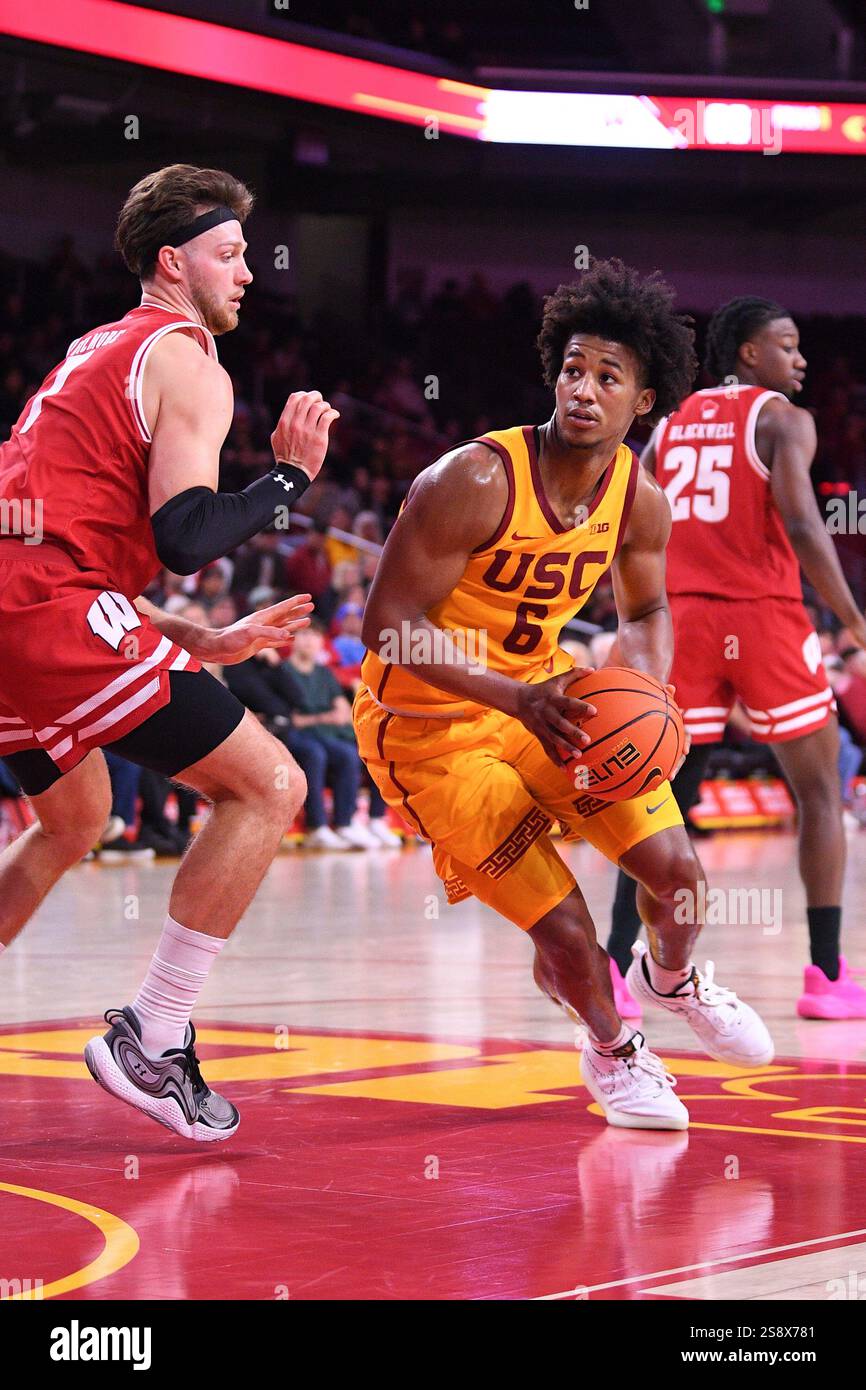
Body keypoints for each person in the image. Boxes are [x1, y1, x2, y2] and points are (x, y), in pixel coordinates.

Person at [355, 259, 773, 1131]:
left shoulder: (640, 500)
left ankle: (674, 980)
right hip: (430, 733)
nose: (584, 390)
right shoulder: (471, 480)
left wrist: (646, 693)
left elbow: (650, 607)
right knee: (570, 931)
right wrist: (515, 698)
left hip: (545, 708)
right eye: (573, 369)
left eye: (608, 377)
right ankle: (614, 1051)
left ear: (642, 402)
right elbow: (385, 624)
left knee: (680, 880)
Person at [0, 162, 341, 1140]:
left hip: (27, 603)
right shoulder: (187, 357)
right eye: (228, 253)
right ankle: (154, 1036)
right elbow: (189, 534)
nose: (246, 272)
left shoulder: (97, 346)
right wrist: (289, 479)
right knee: (268, 785)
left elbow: (73, 527)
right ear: (171, 260)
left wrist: (183, 632)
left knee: (72, 819)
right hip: (45, 610)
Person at [609, 297, 866, 1019]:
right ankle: (824, 976)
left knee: (657, 801)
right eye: (787, 345)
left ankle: (613, 963)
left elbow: (632, 527)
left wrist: (633, 622)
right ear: (750, 354)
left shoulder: (667, 425)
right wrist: (852, 617)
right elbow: (805, 525)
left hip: (679, 617)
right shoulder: (783, 418)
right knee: (818, 794)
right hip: (764, 615)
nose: (801, 359)